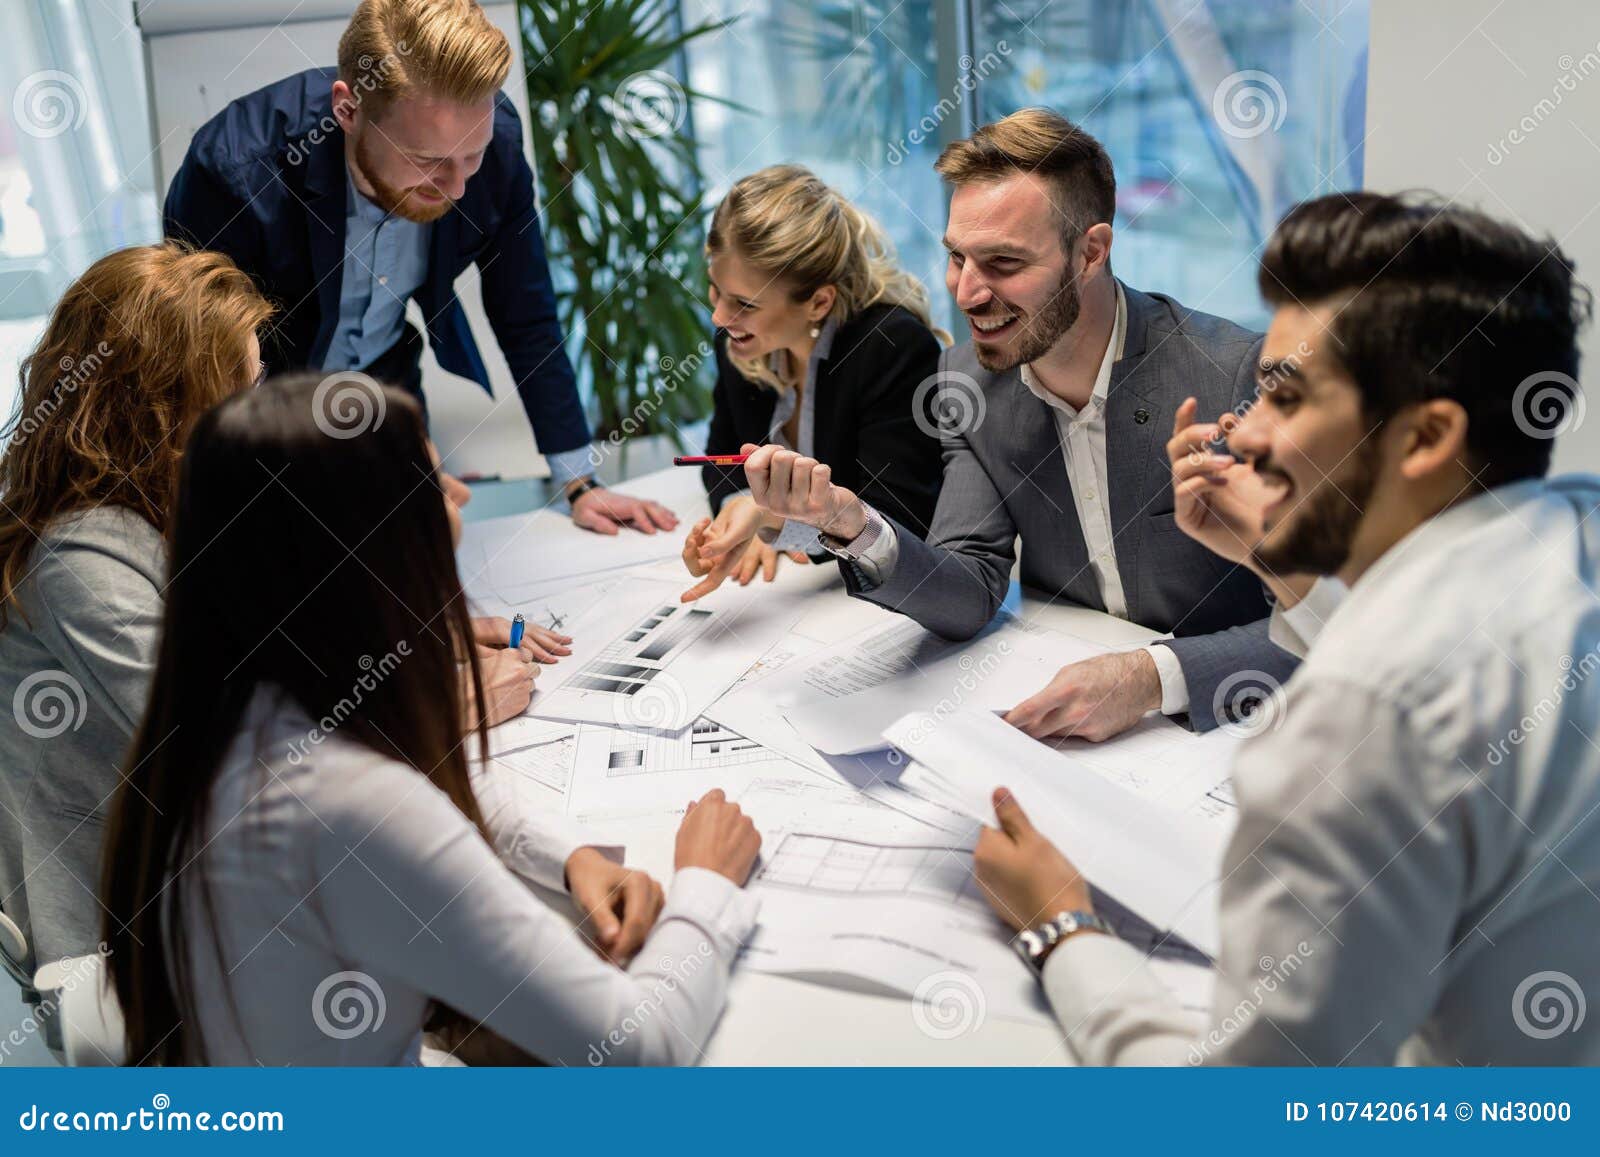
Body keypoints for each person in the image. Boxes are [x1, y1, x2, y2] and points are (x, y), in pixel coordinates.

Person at [972, 193, 1600, 1064]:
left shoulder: (1364, 719)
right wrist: (1288, 567)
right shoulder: (1575, 527)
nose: (1247, 433)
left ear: (1426, 437)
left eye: (1286, 396)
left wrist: (1061, 927)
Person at [0, 245, 629, 994]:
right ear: (169, 406)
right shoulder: (83, 554)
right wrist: (437, 707)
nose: (257, 406)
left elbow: (287, 661)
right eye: (241, 386)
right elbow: (244, 753)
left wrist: (417, 634)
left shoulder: (174, 501)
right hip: (133, 940)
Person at [100, 375, 763, 1066]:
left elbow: (423, 790)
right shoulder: (349, 805)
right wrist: (707, 885)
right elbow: (642, 1047)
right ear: (368, 544)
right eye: (435, 479)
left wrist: (569, 857)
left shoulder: (228, 715)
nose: (465, 494)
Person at [743, 109, 1296, 737]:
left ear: (1091, 252)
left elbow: (1330, 622)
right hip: (1067, 729)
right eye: (957, 258)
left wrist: (1150, 677)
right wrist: (849, 522)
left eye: (1003, 263)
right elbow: (968, 588)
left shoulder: (1234, 375)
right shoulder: (963, 384)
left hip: (1241, 729)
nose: (968, 293)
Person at [163, 0, 674, 538]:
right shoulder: (234, 172)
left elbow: (526, 314)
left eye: (469, 158)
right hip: (264, 412)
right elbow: (200, 370)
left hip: (387, 395)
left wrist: (579, 482)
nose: (457, 189)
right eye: (428, 161)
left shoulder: (493, 146)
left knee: (417, 569)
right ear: (349, 110)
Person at [680, 165, 946, 600]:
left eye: (744, 303)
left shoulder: (891, 346)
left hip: (879, 605)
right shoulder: (739, 339)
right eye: (716, 290)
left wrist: (772, 520)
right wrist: (737, 516)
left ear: (819, 302)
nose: (719, 317)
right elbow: (721, 462)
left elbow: (901, 521)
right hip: (798, 590)